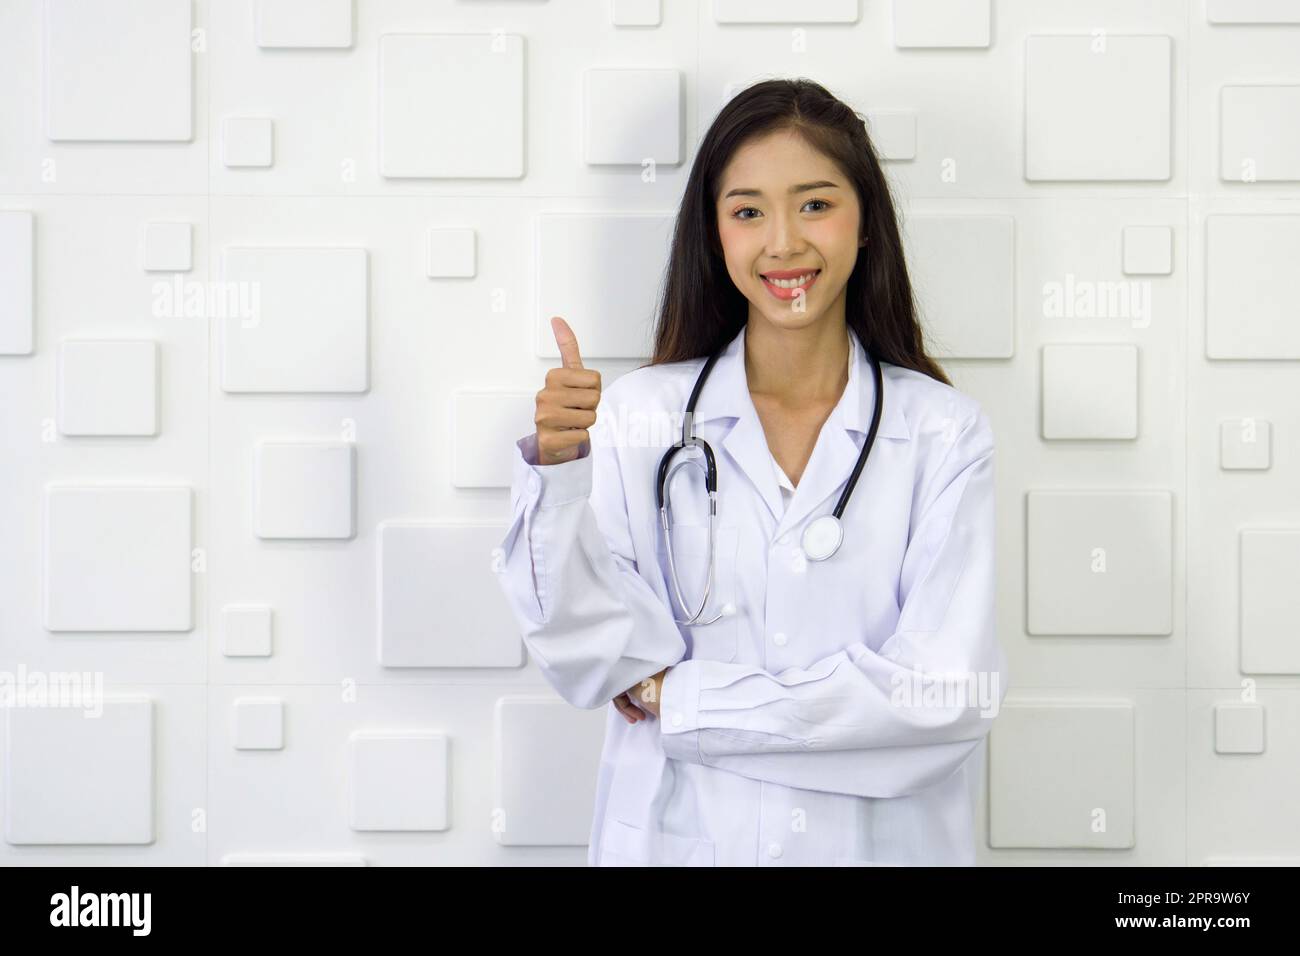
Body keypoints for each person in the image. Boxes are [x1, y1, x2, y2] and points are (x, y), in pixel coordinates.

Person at [494, 77, 1007, 866]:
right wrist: (560, 473)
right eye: (747, 212)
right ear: (715, 234)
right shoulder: (642, 419)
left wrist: (684, 702)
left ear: (866, 222)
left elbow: (940, 700)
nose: (783, 244)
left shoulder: (941, 432)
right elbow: (591, 657)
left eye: (815, 204)